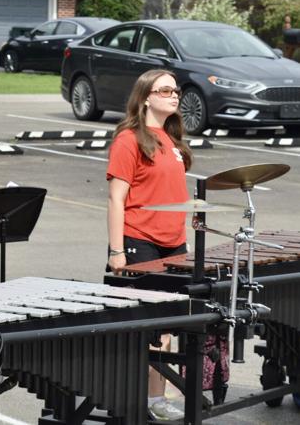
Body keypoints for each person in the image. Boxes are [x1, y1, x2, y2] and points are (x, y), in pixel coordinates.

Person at [106, 68, 192, 422]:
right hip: (140, 241)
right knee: (144, 329)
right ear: (145, 98)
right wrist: (116, 250)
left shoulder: (171, 139)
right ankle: (129, 398)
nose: (174, 96)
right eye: (165, 90)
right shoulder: (129, 140)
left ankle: (156, 398)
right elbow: (115, 199)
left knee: (167, 330)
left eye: (176, 91)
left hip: (175, 242)